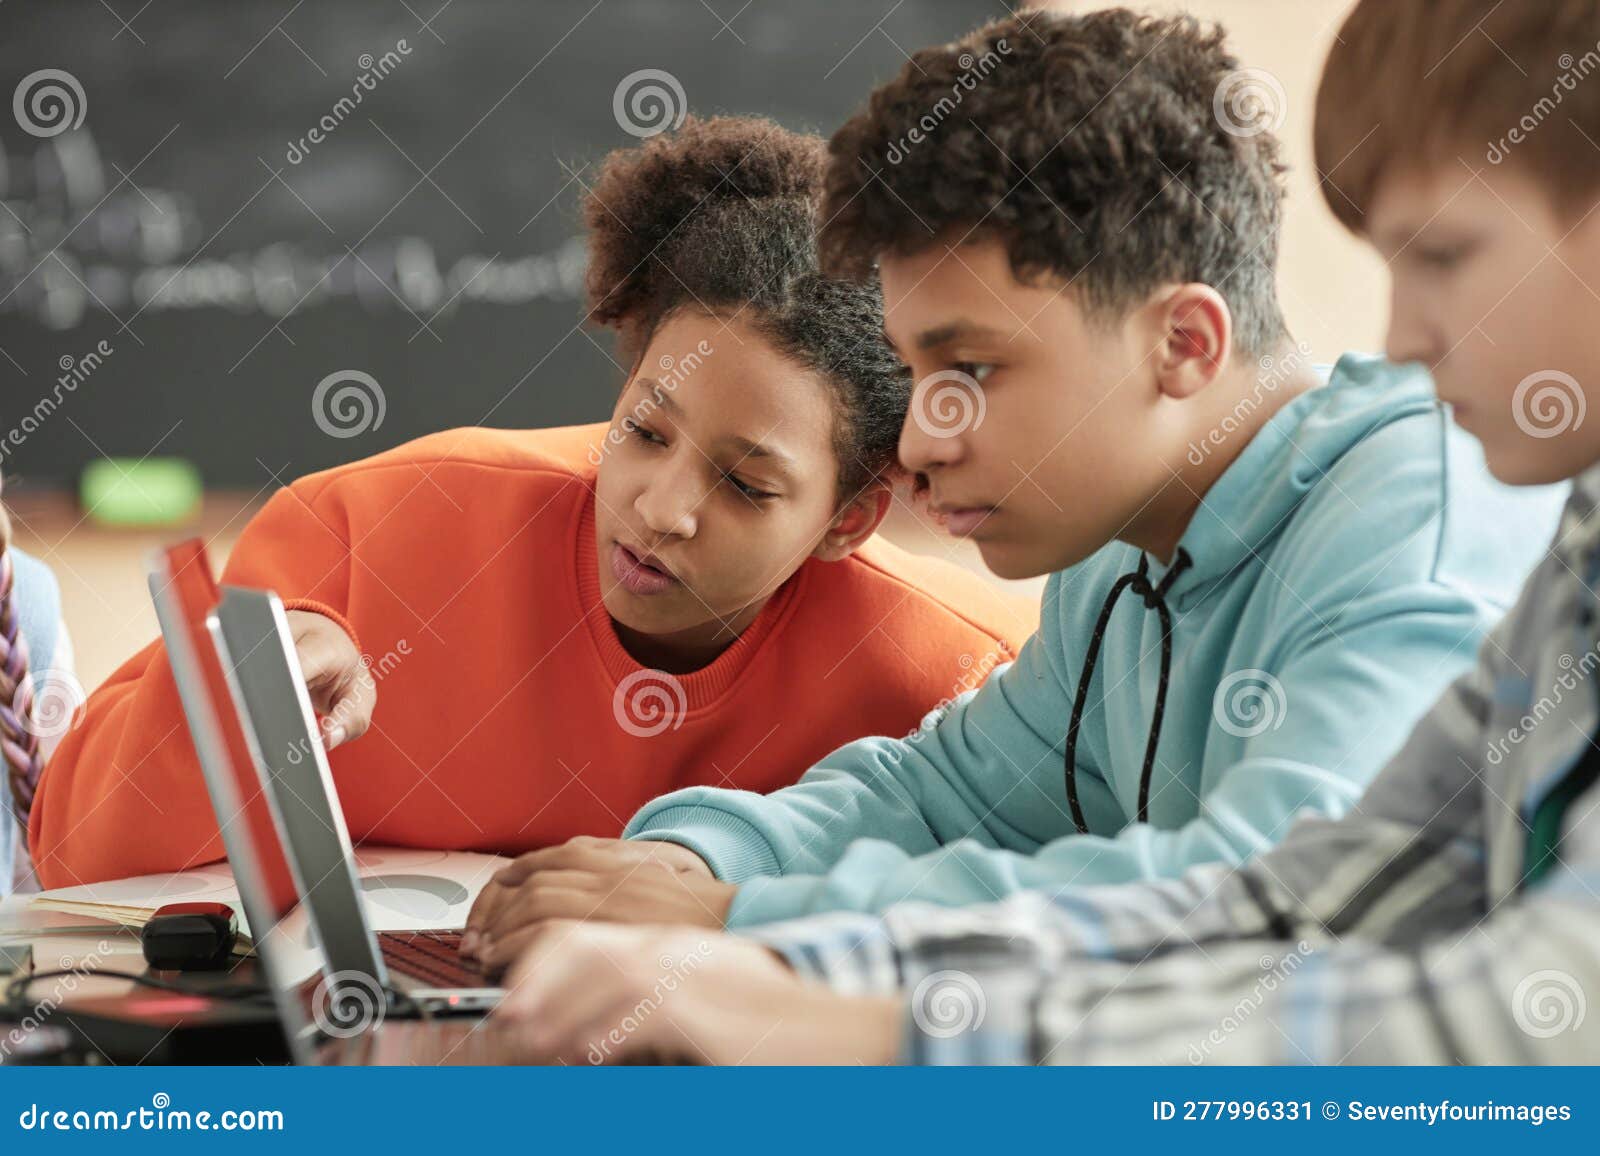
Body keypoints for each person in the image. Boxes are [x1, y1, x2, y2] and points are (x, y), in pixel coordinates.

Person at [484, 0, 1600, 1065]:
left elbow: (1378, 972)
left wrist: (769, 940)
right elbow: (982, 802)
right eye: (916, 372)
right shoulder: (1121, 558)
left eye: (969, 370)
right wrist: (704, 872)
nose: (917, 443)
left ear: (1182, 346)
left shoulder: (1421, 515)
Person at [28, 116, 1031, 889]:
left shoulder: (955, 674)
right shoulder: (373, 534)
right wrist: (250, 704)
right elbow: (71, 849)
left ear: (848, 518)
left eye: (745, 483)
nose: (662, 508)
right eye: (644, 430)